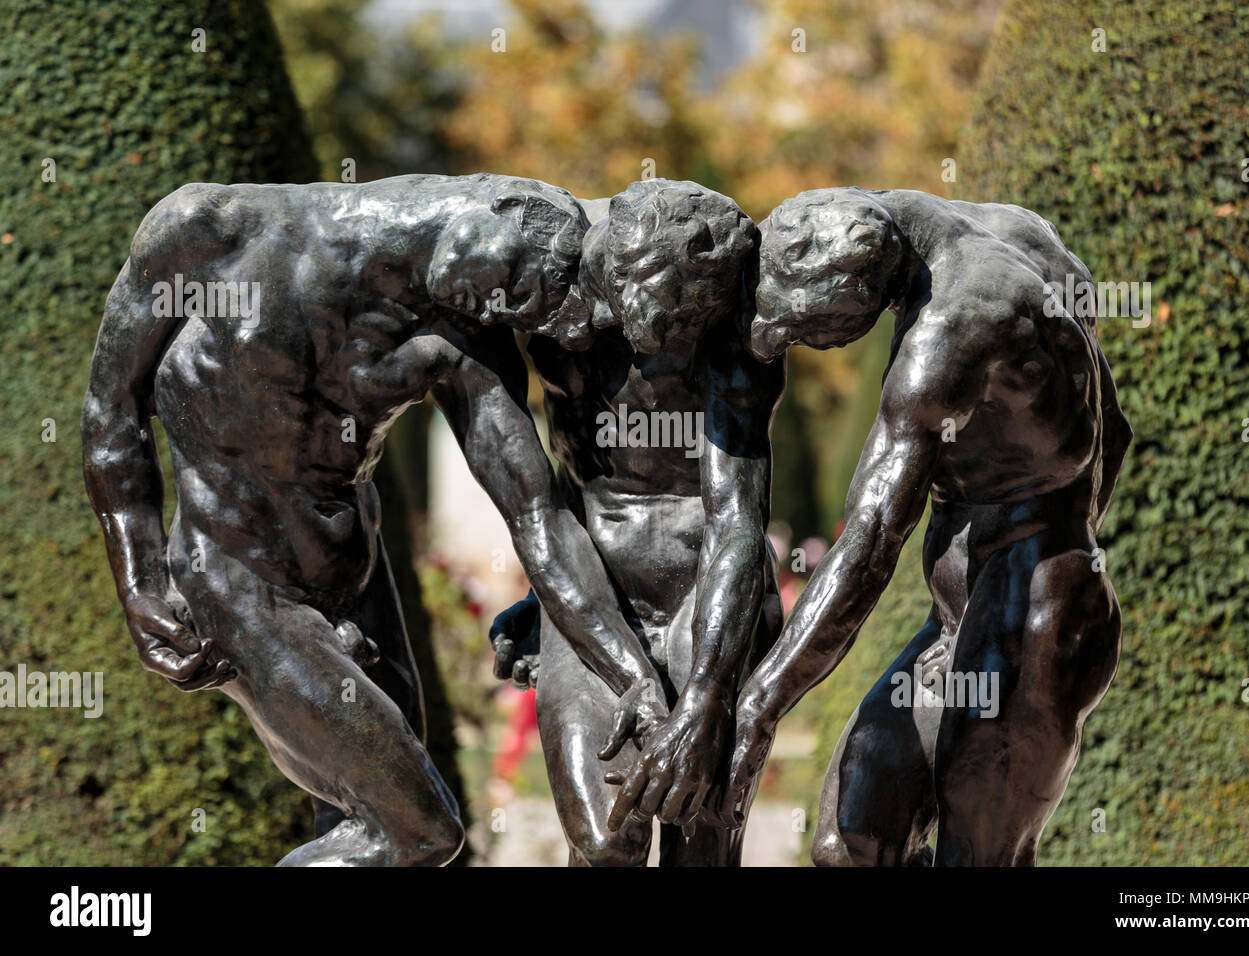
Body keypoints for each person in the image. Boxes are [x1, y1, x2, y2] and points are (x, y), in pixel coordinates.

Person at [82, 173, 665, 866]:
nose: (522, 323)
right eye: (525, 300)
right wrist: (140, 580)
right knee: (417, 834)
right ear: (480, 247)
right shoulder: (211, 231)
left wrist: (631, 672)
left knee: (362, 814)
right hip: (237, 578)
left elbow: (537, 516)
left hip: (357, 576)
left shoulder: (460, 330)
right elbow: (111, 405)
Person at [722, 187, 1132, 866]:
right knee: (850, 842)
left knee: (976, 857)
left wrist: (758, 707)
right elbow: (1111, 430)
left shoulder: (951, 328)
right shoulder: (1018, 235)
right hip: (966, 615)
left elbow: (873, 534)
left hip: (1039, 616)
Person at [495, 180, 783, 865]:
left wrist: (711, 693)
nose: (671, 335)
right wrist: (551, 593)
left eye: (693, 316)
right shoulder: (549, 305)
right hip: (600, 586)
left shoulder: (735, 338)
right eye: (665, 309)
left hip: (707, 595)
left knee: (701, 835)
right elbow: (544, 494)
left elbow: (737, 519)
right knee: (604, 841)